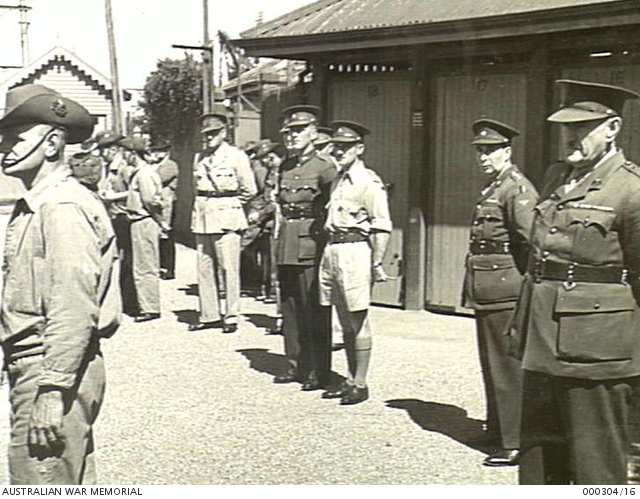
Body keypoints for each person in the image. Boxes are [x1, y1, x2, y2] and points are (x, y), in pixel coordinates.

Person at [509, 79, 640, 484]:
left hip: (596, 348)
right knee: (539, 456)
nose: (570, 136)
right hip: (542, 336)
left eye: (582, 127)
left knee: (597, 465)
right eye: (565, 127)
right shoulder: (554, 177)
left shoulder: (631, 188)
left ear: (613, 127)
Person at [0, 83, 121, 484]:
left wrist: (52, 390)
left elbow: (73, 305)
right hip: (41, 365)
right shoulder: (39, 202)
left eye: (17, 139)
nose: (5, 148)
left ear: (52, 144)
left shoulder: (62, 206)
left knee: (40, 481)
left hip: (52, 368)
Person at [462, 119, 538, 466]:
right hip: (487, 287)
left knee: (506, 366)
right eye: (479, 151)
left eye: (490, 150)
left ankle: (514, 440)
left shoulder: (516, 189)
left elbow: (529, 242)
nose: (483, 157)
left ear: (507, 151)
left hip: (505, 287)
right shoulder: (494, 185)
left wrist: (523, 286)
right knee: (490, 362)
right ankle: (497, 429)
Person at [319, 120, 391, 405]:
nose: (339, 151)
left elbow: (381, 225)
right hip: (333, 250)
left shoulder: (368, 182)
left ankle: (360, 383)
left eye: (346, 147)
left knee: (358, 319)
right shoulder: (339, 179)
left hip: (355, 251)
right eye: (336, 146)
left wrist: (377, 262)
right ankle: (349, 378)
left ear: (359, 148)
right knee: (344, 320)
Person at [274, 105, 336, 390]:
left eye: (298, 131)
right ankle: (295, 363)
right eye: (289, 132)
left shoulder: (325, 167)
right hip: (287, 242)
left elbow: (331, 208)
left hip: (311, 243)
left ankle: (318, 370)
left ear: (313, 132)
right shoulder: (285, 166)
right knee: (289, 307)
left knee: (313, 308)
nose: (292, 137)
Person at [190, 104, 257, 333]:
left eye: (213, 133)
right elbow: (195, 187)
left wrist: (231, 204)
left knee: (229, 268)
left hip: (227, 214)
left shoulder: (236, 156)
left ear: (224, 132)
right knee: (204, 267)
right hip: (203, 215)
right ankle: (209, 314)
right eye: (205, 134)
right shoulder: (199, 157)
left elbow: (250, 189)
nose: (208, 138)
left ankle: (231, 315)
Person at [122, 137, 164, 323]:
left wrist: (160, 222)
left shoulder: (143, 174)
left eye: (125, 152)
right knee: (142, 264)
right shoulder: (141, 173)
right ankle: (146, 304)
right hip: (140, 221)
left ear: (133, 154)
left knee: (145, 266)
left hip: (144, 220)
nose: (123, 156)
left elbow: (150, 201)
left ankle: (150, 307)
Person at [97, 131, 138, 314]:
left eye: (104, 150)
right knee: (115, 261)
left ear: (113, 149)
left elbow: (136, 191)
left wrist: (114, 197)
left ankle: (132, 303)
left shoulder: (124, 168)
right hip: (113, 217)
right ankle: (124, 301)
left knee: (128, 262)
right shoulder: (108, 167)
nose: (102, 154)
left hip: (125, 217)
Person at [151, 140, 179, 280]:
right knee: (159, 236)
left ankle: (169, 268)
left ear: (166, 152)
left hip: (168, 203)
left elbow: (157, 179)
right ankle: (161, 266)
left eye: (159, 151)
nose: (155, 154)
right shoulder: (157, 165)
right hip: (161, 202)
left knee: (167, 236)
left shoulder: (170, 165)